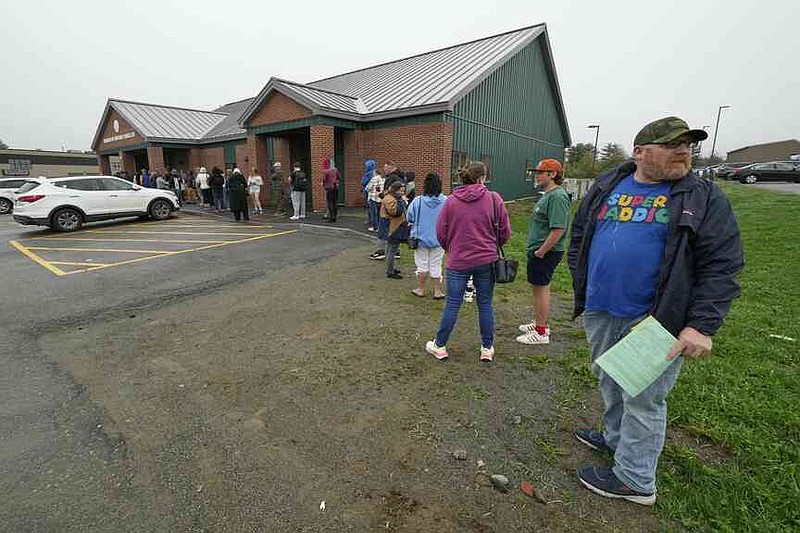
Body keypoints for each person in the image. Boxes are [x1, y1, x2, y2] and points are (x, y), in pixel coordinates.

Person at [568, 116, 744, 506]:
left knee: (644, 397)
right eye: (672, 144)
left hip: (655, 319)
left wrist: (700, 325)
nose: (684, 151)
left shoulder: (702, 197)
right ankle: (614, 438)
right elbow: (581, 231)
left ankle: (635, 478)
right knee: (609, 379)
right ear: (640, 152)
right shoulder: (608, 184)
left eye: (688, 145)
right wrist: (582, 275)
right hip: (601, 307)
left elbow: (722, 263)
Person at [425, 162, 511, 363]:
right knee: (485, 304)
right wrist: (493, 244)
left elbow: (440, 232)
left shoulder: (451, 201)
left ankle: (439, 346)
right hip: (487, 259)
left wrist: (451, 248)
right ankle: (487, 348)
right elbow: (505, 232)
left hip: (458, 260)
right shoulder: (494, 199)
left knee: (453, 304)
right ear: (482, 178)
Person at [516, 158, 571, 345]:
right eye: (536, 172)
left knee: (541, 290)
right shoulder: (548, 194)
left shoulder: (558, 196)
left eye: (541, 172)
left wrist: (541, 251)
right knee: (538, 289)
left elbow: (558, 229)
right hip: (540, 250)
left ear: (553, 174)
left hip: (546, 252)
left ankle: (541, 332)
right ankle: (540, 322)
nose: (537, 175)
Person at [407, 173, 447, 299]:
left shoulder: (417, 201)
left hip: (420, 239)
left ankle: (421, 289)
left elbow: (410, 218)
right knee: (436, 264)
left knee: (422, 264)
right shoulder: (447, 201)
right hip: (440, 239)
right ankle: (437, 291)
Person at [380, 181, 408, 279]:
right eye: (401, 191)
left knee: (391, 249)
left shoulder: (392, 198)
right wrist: (403, 202)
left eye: (403, 191)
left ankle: (390, 268)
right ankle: (390, 271)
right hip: (392, 227)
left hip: (394, 225)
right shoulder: (389, 199)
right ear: (395, 190)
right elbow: (395, 212)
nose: (402, 193)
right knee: (391, 250)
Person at [322, 158, 340, 222]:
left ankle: (331, 217)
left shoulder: (326, 171)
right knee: (335, 203)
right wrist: (337, 183)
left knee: (330, 203)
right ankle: (335, 216)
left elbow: (324, 179)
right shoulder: (336, 170)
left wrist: (324, 185)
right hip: (335, 188)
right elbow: (339, 178)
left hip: (329, 188)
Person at [361, 160, 378, 230]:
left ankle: (371, 220)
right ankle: (371, 219)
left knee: (370, 206)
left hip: (369, 191)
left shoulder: (369, 173)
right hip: (373, 191)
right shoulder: (375, 172)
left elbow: (364, 182)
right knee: (371, 207)